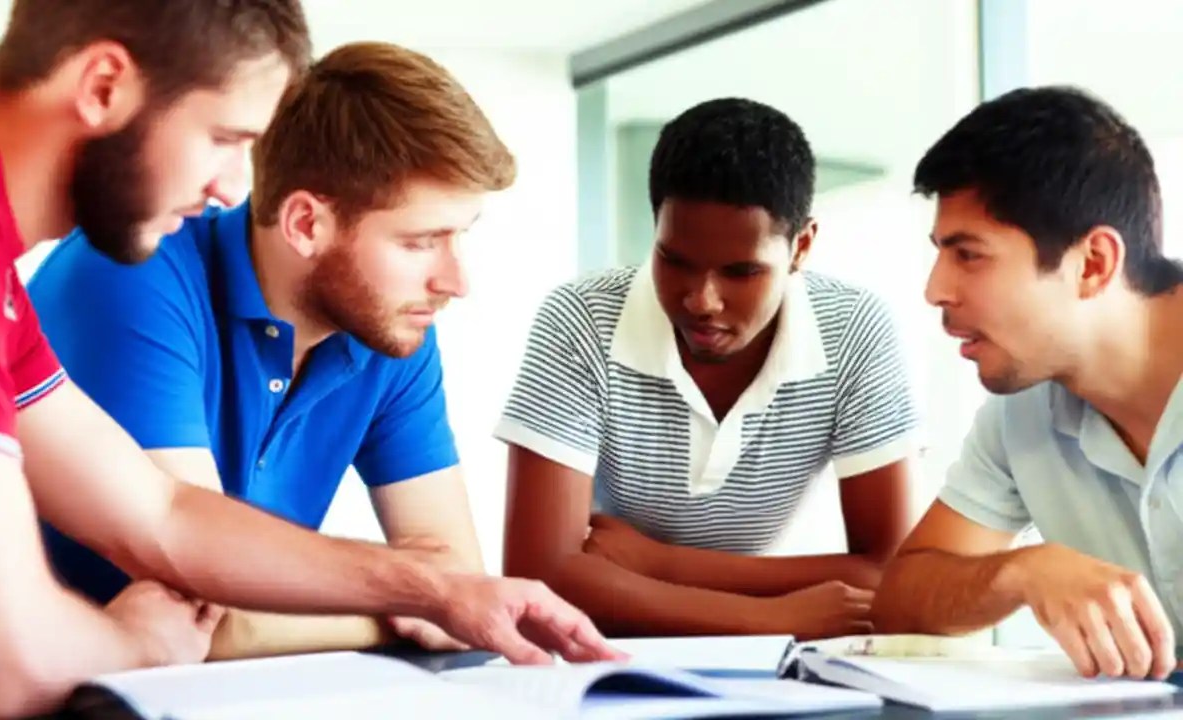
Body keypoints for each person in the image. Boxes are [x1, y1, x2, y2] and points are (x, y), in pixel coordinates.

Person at [0, 2, 617, 716]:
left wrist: (439, 590)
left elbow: (162, 515)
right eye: (221, 137)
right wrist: (136, 642)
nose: (227, 187)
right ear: (103, 86)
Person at [28, 41, 509, 660]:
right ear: (306, 224)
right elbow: (210, 619)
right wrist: (415, 602)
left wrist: (435, 597)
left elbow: (458, 576)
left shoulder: (394, 327)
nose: (455, 282)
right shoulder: (131, 273)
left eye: (458, 238)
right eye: (420, 242)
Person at [497, 97, 919, 638]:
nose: (703, 301)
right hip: (608, 653)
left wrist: (658, 563)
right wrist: (773, 617)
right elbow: (541, 576)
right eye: (675, 261)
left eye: (742, 272)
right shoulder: (582, 319)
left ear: (802, 247)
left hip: (681, 634)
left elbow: (896, 574)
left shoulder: (854, 329)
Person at [871, 86, 1183, 682]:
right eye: (940, 252)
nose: (934, 290)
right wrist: (1021, 572)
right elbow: (900, 604)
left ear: (1092, 264)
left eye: (969, 255)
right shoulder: (1025, 410)